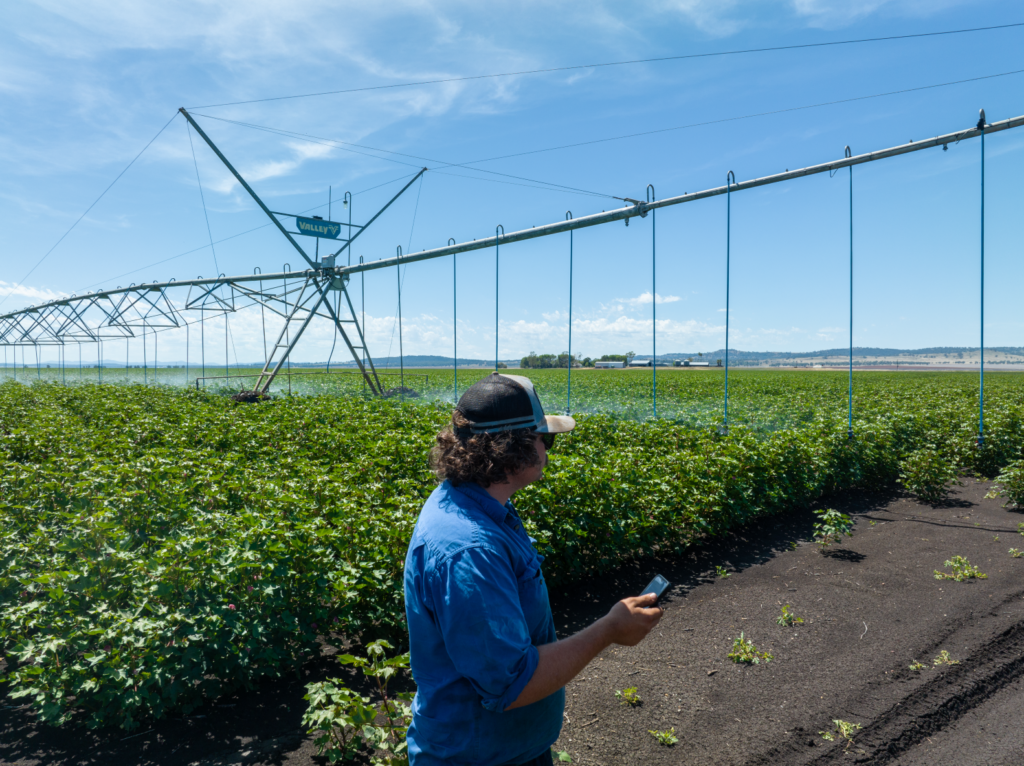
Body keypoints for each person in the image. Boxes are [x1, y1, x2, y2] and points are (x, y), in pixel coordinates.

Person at [404, 372, 663, 766]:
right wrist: (609, 629)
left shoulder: (478, 504)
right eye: (545, 438)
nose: (548, 449)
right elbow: (511, 685)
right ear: (511, 447)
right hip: (480, 757)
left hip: (506, 749)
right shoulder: (470, 550)